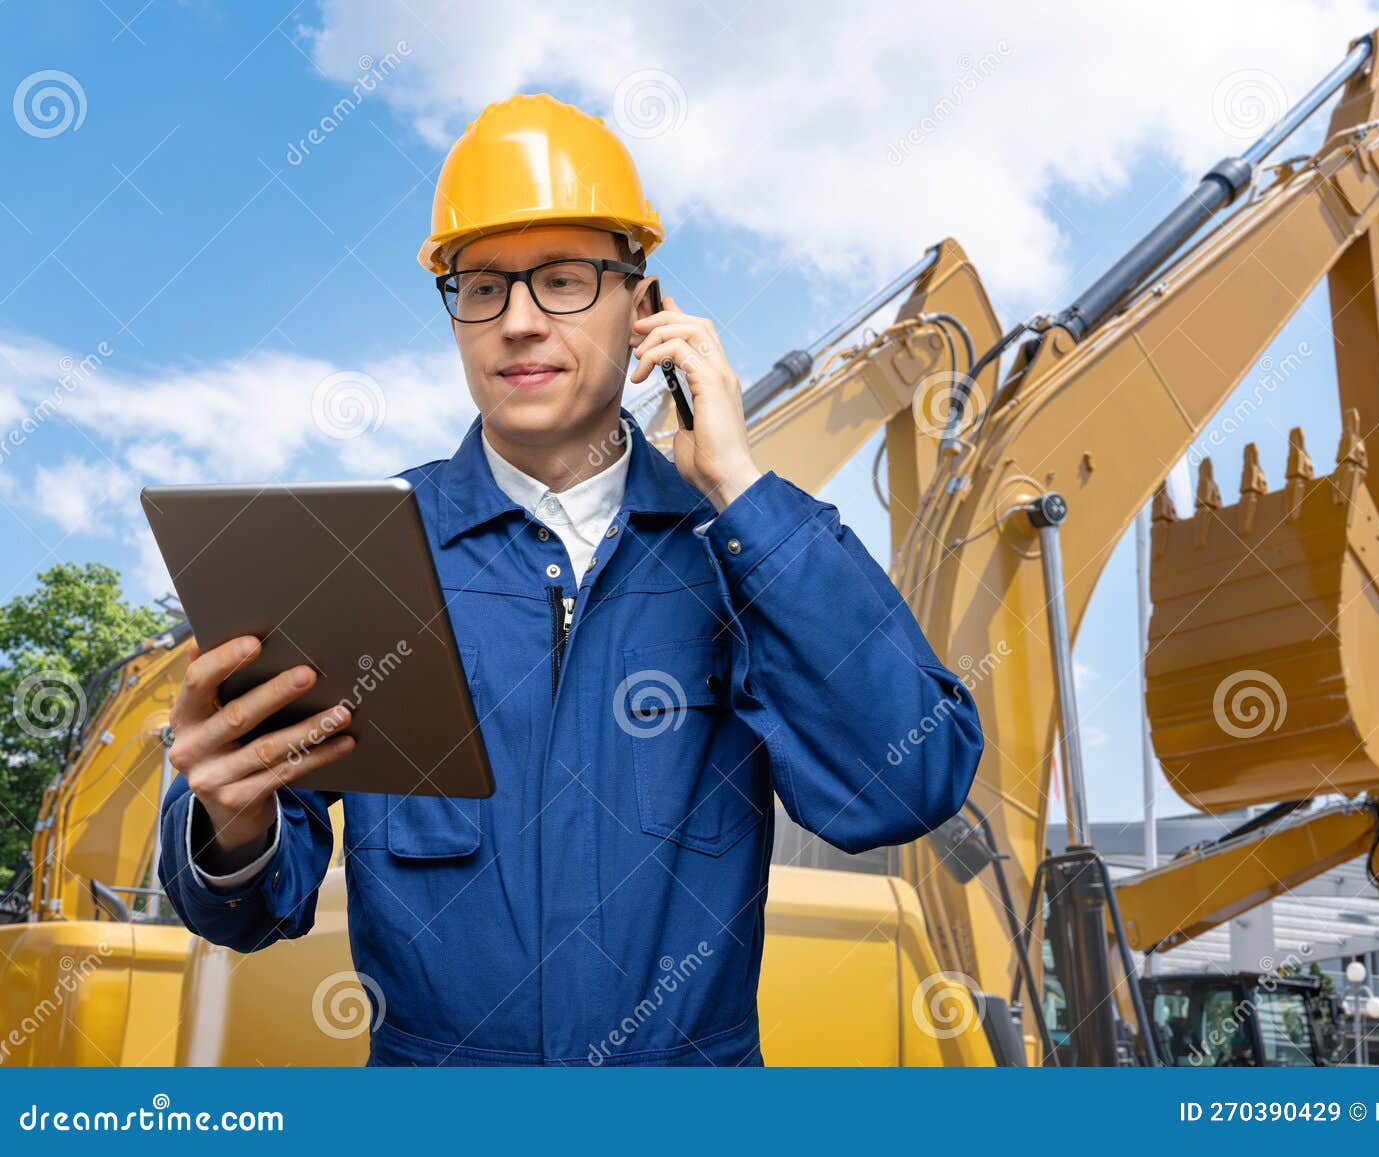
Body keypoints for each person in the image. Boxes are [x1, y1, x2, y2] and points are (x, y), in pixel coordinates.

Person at [156, 93, 984, 1067]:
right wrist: (229, 818)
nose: (517, 323)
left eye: (561, 280)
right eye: (481, 287)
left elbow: (909, 783)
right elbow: (254, 903)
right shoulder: (366, 553)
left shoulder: (751, 550)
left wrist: (737, 487)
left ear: (644, 308)